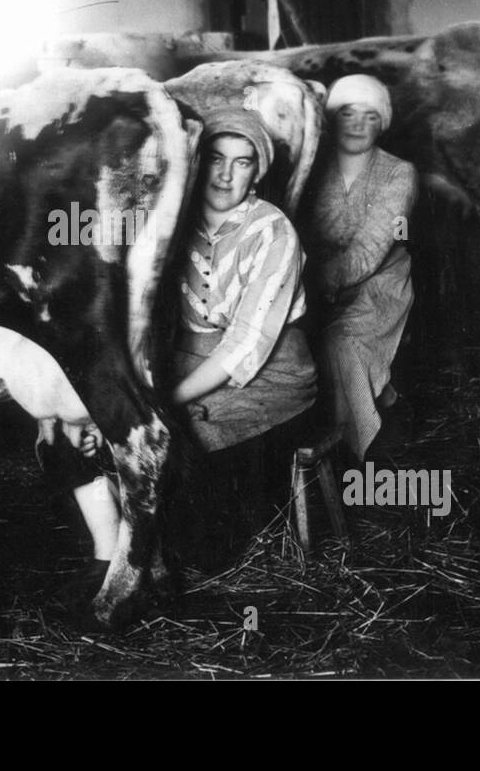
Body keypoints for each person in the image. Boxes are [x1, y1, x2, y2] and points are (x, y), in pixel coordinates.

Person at [61, 107, 319, 587]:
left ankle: (159, 551)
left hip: (272, 372)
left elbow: (244, 344)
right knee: (79, 429)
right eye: (216, 159)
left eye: (241, 163)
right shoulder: (169, 222)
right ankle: (109, 551)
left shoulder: (273, 229)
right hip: (184, 358)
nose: (225, 174)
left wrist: (155, 406)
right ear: (196, 164)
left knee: (178, 446)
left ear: (258, 172)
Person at [305, 74, 416, 463]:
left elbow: (371, 248)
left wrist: (310, 289)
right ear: (331, 119)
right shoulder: (311, 167)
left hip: (381, 281)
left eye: (370, 116)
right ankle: (377, 400)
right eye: (347, 113)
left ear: (382, 124)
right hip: (314, 283)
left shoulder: (399, 172)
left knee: (342, 345)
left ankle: (356, 456)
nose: (356, 124)